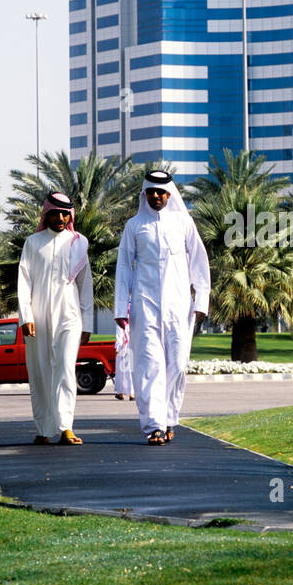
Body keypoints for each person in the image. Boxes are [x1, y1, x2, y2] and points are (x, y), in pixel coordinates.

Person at [114, 170, 210, 445]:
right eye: (151, 191)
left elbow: (199, 262)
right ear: (144, 194)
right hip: (145, 306)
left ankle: (170, 418)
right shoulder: (134, 225)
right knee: (149, 366)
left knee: (178, 365)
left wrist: (201, 299)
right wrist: (121, 308)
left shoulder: (183, 222)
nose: (156, 196)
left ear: (170, 193)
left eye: (161, 191)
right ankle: (154, 425)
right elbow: (123, 267)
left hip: (180, 307)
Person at [17, 191, 93, 446]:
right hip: (38, 315)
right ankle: (43, 428)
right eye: (55, 213)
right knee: (40, 371)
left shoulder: (78, 242)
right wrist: (25, 317)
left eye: (64, 214)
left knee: (64, 367)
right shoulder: (33, 242)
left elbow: (86, 285)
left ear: (70, 215)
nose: (60, 218)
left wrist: (88, 322)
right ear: (46, 214)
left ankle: (65, 426)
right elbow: (24, 282)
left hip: (69, 314)